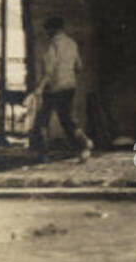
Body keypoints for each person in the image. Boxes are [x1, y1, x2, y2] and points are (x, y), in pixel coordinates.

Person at [28, 16, 93, 162]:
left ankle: (42, 154)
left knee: (42, 120)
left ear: (51, 30)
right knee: (67, 119)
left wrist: (39, 88)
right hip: (69, 86)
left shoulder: (52, 45)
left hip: (53, 88)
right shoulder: (72, 43)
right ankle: (84, 145)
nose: (46, 33)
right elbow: (79, 67)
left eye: (46, 30)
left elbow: (48, 72)